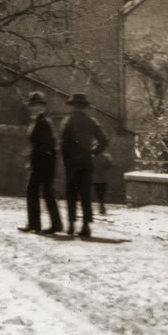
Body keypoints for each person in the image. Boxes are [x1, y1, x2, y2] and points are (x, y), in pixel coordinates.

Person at [60, 92, 108, 238]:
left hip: (72, 163)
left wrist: (66, 159)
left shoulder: (67, 122)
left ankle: (71, 225)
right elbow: (104, 141)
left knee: (71, 194)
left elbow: (62, 143)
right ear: (85, 107)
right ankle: (86, 226)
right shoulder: (92, 122)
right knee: (85, 195)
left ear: (73, 106)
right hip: (86, 163)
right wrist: (93, 152)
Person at [19, 92, 63, 235]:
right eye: (31, 105)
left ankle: (35, 224)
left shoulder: (43, 122)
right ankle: (52, 224)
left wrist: (33, 155)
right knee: (44, 192)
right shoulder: (37, 121)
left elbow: (48, 144)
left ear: (42, 106)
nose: (32, 107)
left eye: (35, 105)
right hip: (42, 161)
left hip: (44, 162)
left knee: (35, 190)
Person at [92, 147, 113, 216]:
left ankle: (101, 206)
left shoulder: (92, 157)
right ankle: (102, 206)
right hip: (103, 178)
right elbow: (110, 165)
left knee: (99, 193)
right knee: (102, 193)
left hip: (96, 179)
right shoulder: (106, 157)